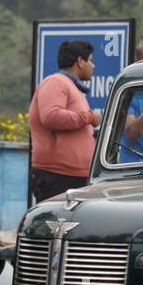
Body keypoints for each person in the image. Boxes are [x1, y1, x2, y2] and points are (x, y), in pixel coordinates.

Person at [28, 40, 100, 201]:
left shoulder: (71, 86)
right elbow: (51, 116)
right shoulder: (56, 82)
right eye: (90, 60)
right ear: (80, 62)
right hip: (58, 176)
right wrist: (89, 117)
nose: (93, 66)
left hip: (73, 175)